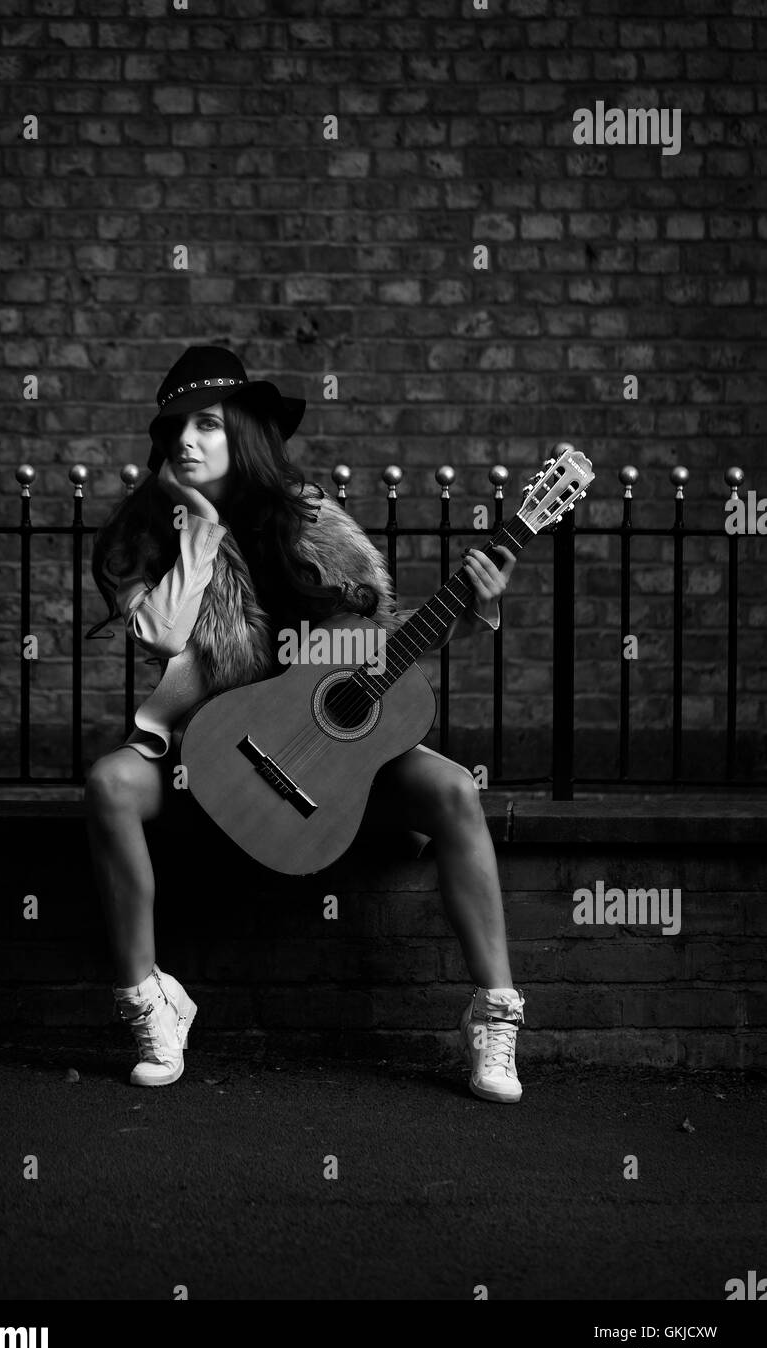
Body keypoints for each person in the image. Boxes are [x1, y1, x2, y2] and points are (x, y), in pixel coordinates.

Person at [85, 345, 525, 1101]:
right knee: (110, 783)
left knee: (455, 790)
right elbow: (163, 631)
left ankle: (494, 1014)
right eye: (174, 428)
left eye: (209, 425)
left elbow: (378, 649)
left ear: (248, 432)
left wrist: (476, 606)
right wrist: (199, 527)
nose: (185, 441)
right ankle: (151, 999)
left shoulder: (313, 527)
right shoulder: (141, 540)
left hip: (320, 766)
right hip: (203, 755)